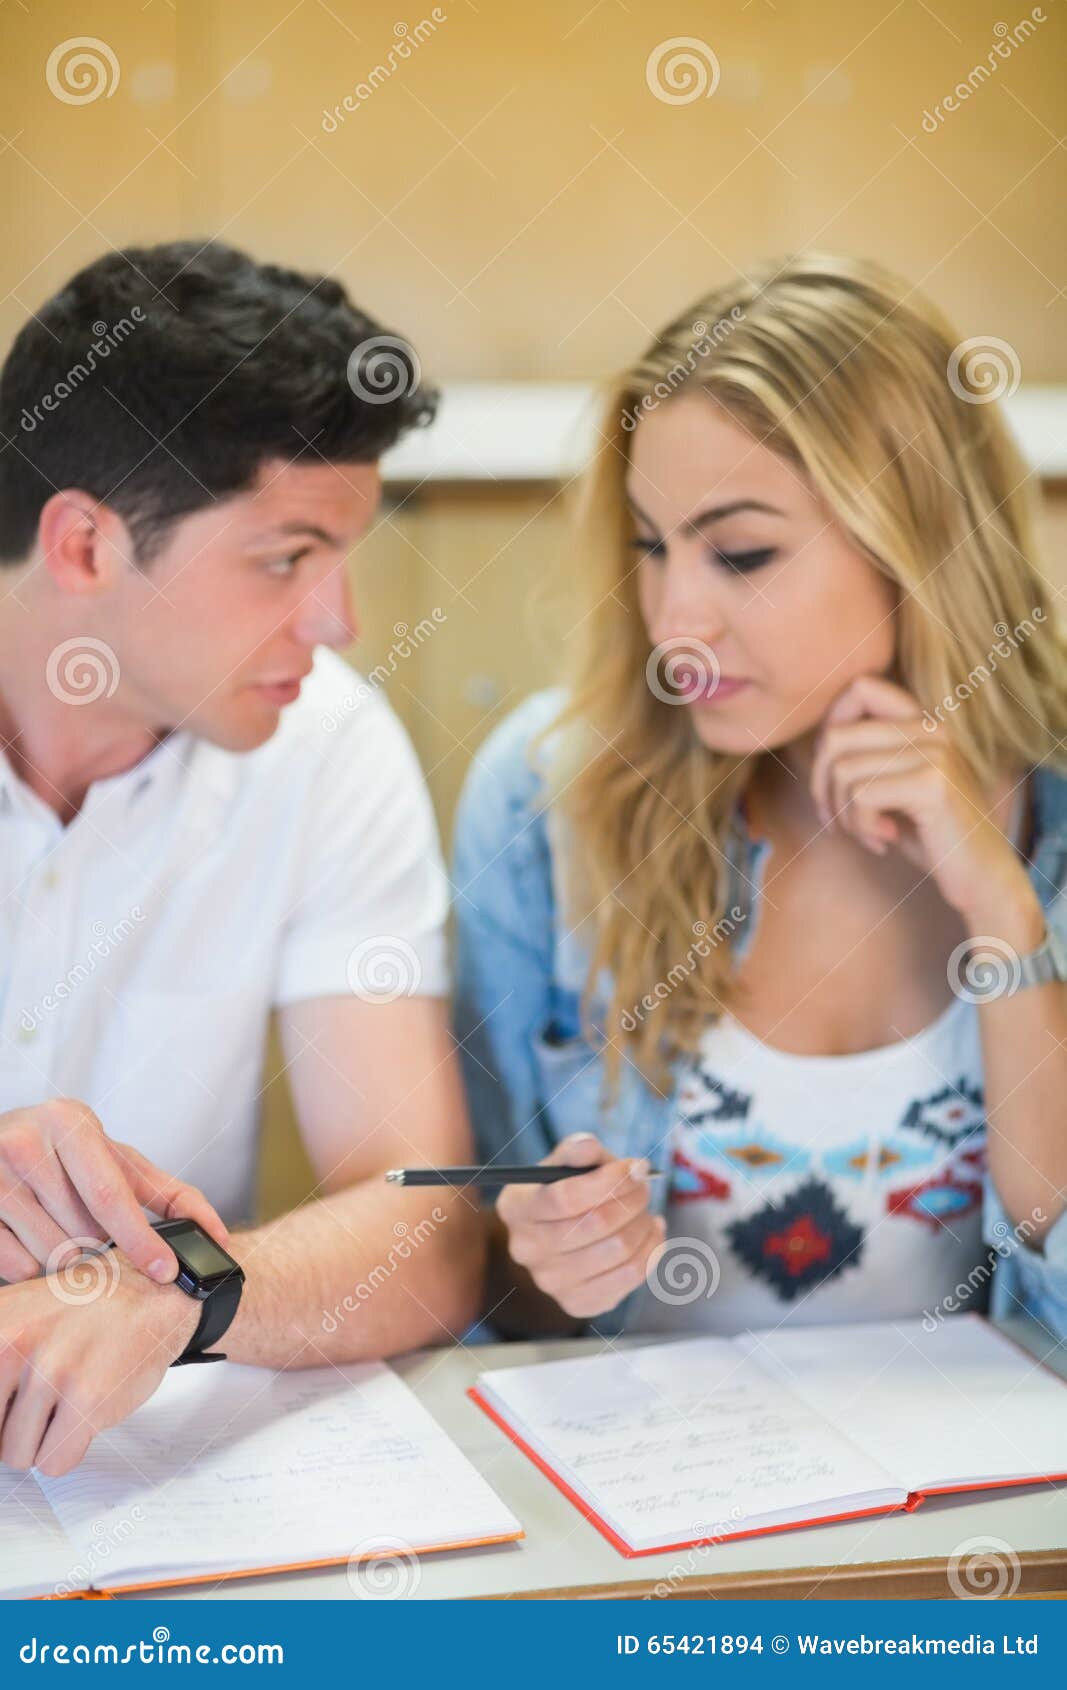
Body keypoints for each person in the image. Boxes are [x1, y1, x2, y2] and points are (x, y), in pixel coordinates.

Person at [453, 251, 1067, 1343]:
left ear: (916, 543)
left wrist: (1004, 916)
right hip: (647, 1450)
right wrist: (545, 1256)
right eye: (651, 547)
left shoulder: (1049, 816)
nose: (674, 624)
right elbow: (491, 1297)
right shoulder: (542, 802)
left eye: (740, 555)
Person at [0, 241, 482, 1476]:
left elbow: (426, 1230)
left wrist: (182, 1290)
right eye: (284, 558)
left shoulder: (326, 746)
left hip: (127, 1488)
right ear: (85, 546)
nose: (338, 623)